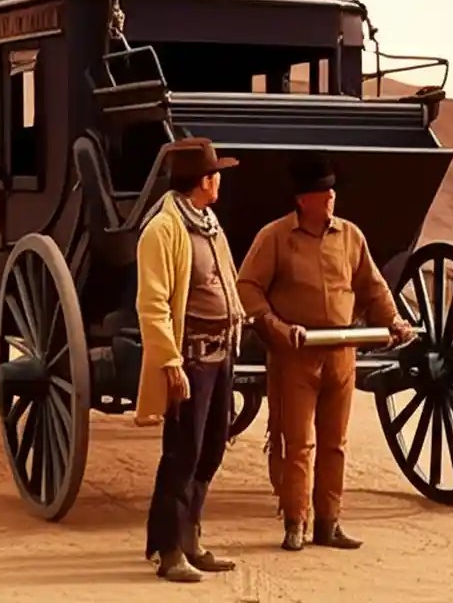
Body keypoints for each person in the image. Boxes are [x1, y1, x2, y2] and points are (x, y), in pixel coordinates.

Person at [237, 151, 415, 552]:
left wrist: (394, 320)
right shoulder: (276, 237)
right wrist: (276, 326)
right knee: (298, 442)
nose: (330, 195)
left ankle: (329, 523)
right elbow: (247, 286)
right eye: (322, 191)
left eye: (332, 189)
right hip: (296, 355)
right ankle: (294, 522)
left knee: (335, 443)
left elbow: (372, 287)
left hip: (341, 352)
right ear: (303, 199)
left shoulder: (351, 236)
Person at [135, 137, 244, 583]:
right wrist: (170, 362)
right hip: (190, 360)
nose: (219, 180)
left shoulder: (208, 222)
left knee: (211, 449)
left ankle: (192, 537)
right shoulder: (163, 231)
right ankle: (167, 549)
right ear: (203, 180)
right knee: (182, 454)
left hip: (220, 355)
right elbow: (153, 304)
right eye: (216, 173)